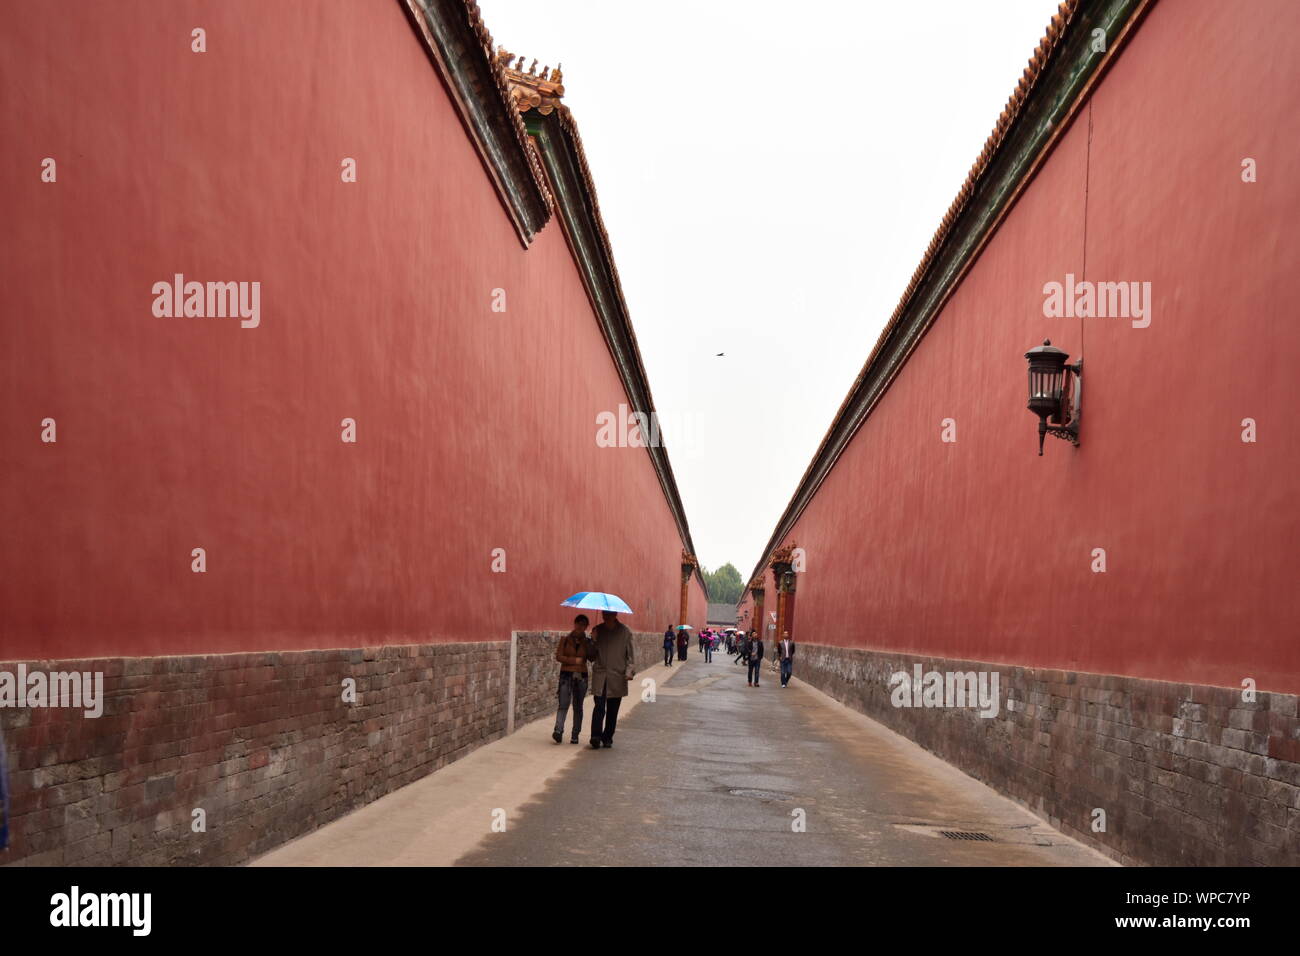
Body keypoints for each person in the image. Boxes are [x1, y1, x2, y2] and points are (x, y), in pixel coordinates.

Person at [588, 610, 636, 749]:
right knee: (599, 707)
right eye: (604, 615)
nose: (606, 617)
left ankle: (608, 737)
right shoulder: (598, 630)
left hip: (617, 676)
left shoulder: (625, 632)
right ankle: (595, 736)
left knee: (612, 710)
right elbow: (590, 656)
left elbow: (631, 655)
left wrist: (629, 671)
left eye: (609, 615)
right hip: (601, 676)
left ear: (615, 615)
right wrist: (593, 640)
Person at [552, 614, 591, 744]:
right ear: (574, 624)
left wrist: (593, 643)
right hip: (566, 675)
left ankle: (575, 734)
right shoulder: (565, 639)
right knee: (563, 703)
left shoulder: (588, 642)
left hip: (581, 677)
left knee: (578, 706)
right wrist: (574, 660)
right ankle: (558, 730)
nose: (580, 626)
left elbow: (592, 657)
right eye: (578, 623)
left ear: (586, 627)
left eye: (583, 624)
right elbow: (559, 656)